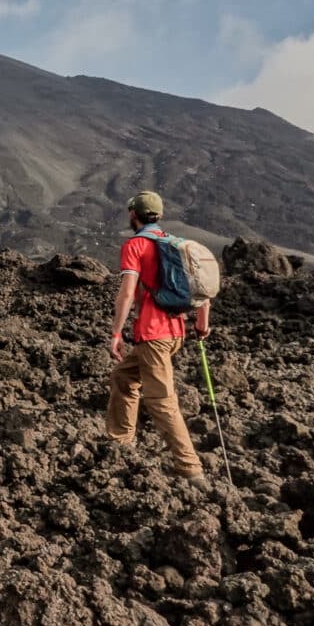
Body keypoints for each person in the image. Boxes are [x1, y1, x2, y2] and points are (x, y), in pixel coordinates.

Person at [106, 191, 211, 487]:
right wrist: (202, 325)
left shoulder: (136, 245)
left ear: (133, 215)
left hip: (154, 336)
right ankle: (120, 442)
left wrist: (116, 332)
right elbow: (202, 289)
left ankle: (191, 470)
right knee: (124, 376)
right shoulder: (176, 245)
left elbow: (127, 293)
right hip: (175, 332)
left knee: (162, 402)